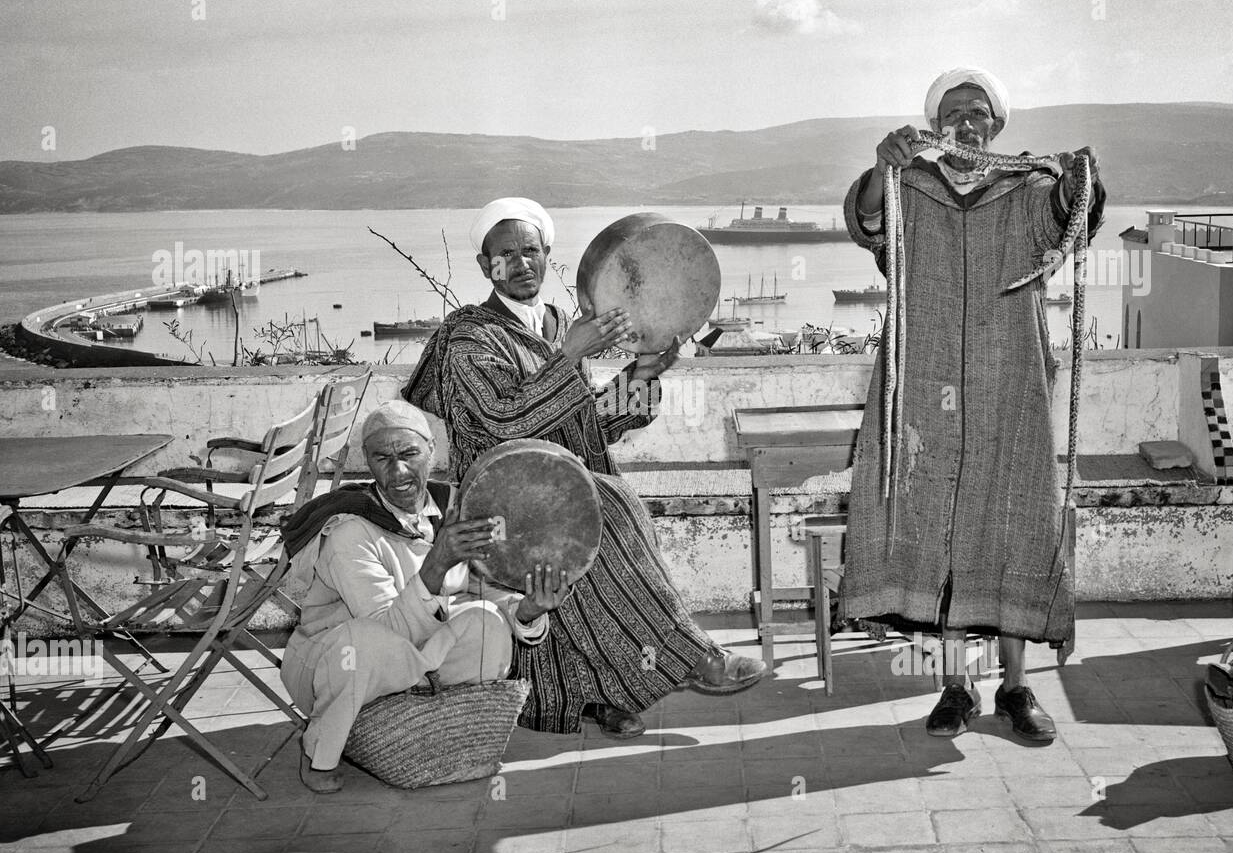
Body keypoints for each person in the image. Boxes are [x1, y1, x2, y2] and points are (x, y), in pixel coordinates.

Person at [402, 197, 767, 739]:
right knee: (611, 509)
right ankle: (696, 657)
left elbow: (587, 425)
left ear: (549, 256)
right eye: (505, 254)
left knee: (599, 503)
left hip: (550, 485)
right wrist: (568, 356)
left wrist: (640, 373)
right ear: (485, 267)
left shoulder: (551, 324)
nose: (521, 263)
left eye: (532, 250)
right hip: (497, 503)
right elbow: (503, 423)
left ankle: (603, 694)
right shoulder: (467, 339)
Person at [840, 67, 1106, 743]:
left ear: (995, 124)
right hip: (925, 387)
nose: (966, 119)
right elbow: (869, 222)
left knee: (1012, 523)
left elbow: (1073, 218)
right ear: (935, 122)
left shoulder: (1028, 189)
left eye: (977, 110)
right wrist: (881, 168)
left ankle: (1016, 690)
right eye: (952, 110)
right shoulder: (912, 185)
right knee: (939, 530)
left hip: (1008, 382)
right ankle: (954, 688)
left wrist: (1081, 180)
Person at [280, 399, 571, 793]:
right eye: (382, 458)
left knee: (487, 621)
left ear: (432, 451)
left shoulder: (451, 508)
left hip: (411, 660)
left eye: (409, 454)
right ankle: (319, 750)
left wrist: (527, 610)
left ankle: (431, 722)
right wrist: (436, 563)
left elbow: (479, 588)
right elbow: (384, 631)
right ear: (367, 462)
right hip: (336, 665)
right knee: (360, 642)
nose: (397, 471)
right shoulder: (350, 532)